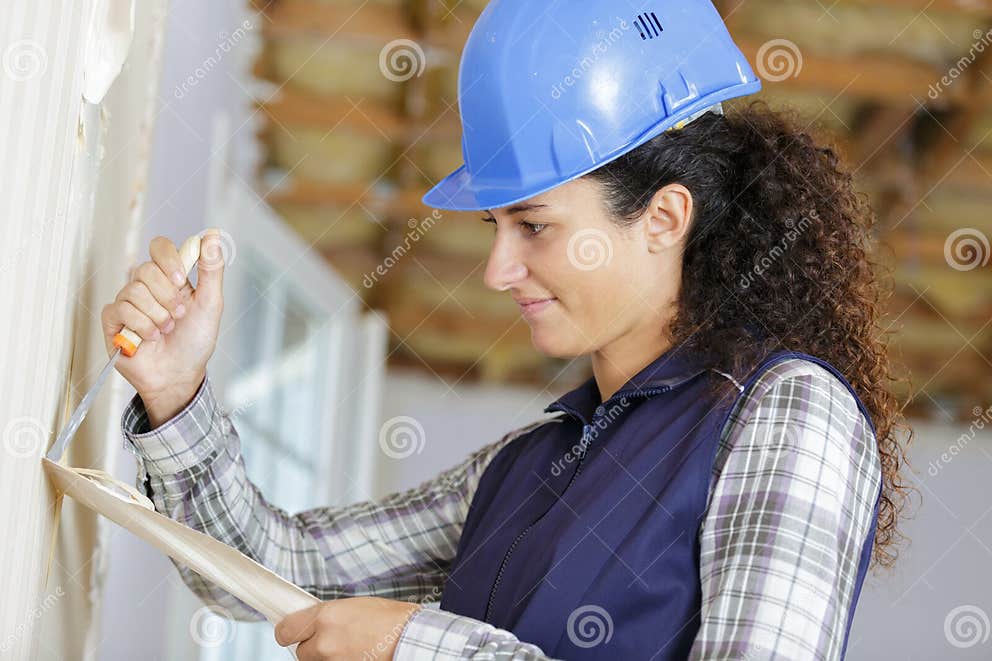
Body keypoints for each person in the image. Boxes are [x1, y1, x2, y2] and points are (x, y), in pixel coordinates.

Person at [102, 1, 911, 659]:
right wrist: (177, 395)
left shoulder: (787, 416)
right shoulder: (531, 462)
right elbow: (275, 570)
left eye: (533, 226)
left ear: (663, 217)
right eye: (496, 224)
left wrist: (416, 645)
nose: (496, 269)